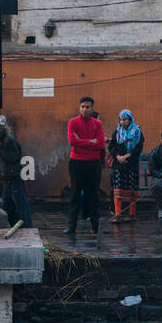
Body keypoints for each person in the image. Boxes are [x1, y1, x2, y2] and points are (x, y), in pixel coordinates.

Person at [65, 96, 105, 238]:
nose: (84, 109)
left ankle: (95, 226)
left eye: (87, 107)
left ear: (92, 108)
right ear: (79, 108)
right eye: (82, 106)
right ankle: (71, 226)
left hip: (93, 163)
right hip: (77, 162)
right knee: (75, 194)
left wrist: (81, 141)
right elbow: (71, 141)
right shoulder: (73, 122)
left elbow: (100, 144)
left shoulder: (97, 124)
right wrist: (90, 142)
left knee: (93, 194)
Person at [0, 117, 32, 229]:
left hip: (14, 177)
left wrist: (0, 151)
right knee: (7, 206)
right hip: (7, 178)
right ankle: (16, 226)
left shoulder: (9, 141)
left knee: (21, 205)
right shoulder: (3, 140)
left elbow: (14, 157)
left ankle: (28, 228)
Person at [108, 109, 144, 223]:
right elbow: (111, 147)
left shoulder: (137, 132)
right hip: (119, 165)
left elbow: (138, 147)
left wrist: (127, 156)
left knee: (132, 190)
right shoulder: (117, 133)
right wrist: (118, 156)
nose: (122, 122)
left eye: (125, 119)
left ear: (130, 120)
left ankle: (132, 214)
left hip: (131, 164)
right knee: (118, 189)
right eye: (121, 119)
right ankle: (118, 214)